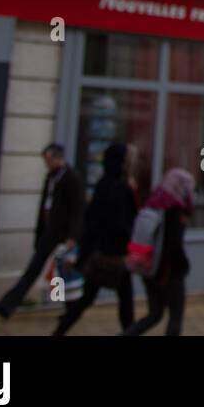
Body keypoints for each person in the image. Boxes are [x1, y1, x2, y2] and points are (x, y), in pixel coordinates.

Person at [0, 143, 85, 318]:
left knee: (65, 272)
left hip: (63, 234)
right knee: (34, 269)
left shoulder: (72, 178)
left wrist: (73, 235)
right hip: (49, 232)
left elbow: (78, 210)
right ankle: (7, 305)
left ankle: (72, 309)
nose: (46, 164)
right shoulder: (51, 177)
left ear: (58, 158)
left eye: (48, 160)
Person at [53, 143, 138, 335]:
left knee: (91, 299)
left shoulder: (104, 184)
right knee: (123, 301)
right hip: (115, 254)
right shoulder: (121, 187)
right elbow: (125, 223)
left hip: (101, 252)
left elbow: (92, 222)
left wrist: (83, 255)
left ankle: (59, 330)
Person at [122, 168, 193, 336]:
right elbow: (174, 244)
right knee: (175, 316)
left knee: (155, 314)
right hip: (169, 271)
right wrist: (183, 266)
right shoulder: (174, 209)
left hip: (148, 267)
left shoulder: (152, 202)